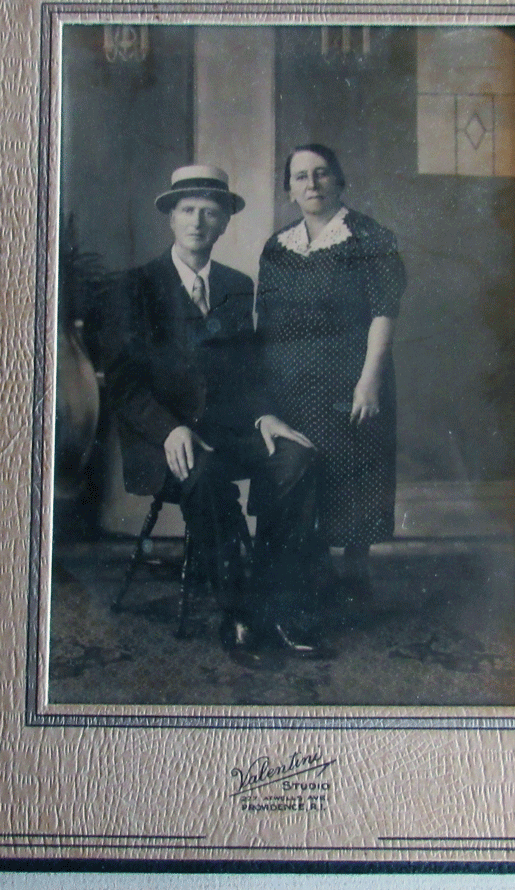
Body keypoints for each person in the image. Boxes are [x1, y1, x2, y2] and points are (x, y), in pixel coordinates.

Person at [107, 164, 325, 654]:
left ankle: (275, 600)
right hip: (163, 440)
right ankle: (239, 611)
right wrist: (169, 429)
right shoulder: (135, 285)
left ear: (226, 222)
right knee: (203, 476)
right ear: (171, 218)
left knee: (296, 456)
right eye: (188, 210)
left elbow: (246, 372)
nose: (198, 221)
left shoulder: (235, 282)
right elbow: (123, 385)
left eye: (211, 211)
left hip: (227, 431)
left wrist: (265, 417)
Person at [256, 145, 407, 604]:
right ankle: (313, 567)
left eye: (321, 174)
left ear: (339, 180)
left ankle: (356, 567)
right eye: (300, 177)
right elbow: (265, 322)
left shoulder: (368, 237)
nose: (312, 184)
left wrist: (370, 379)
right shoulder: (278, 247)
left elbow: (384, 311)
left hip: (350, 376)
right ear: (289, 190)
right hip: (290, 384)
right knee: (304, 470)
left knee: (354, 467)